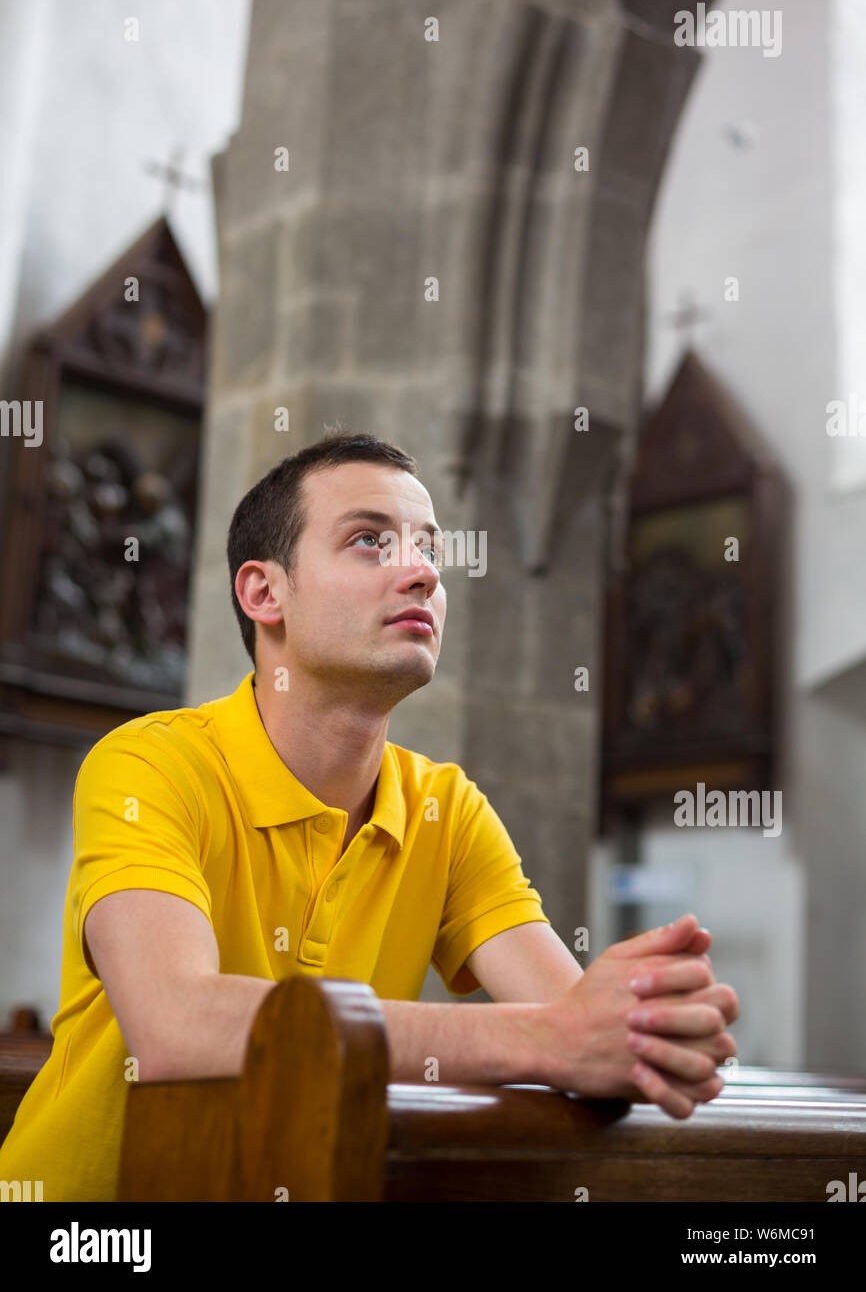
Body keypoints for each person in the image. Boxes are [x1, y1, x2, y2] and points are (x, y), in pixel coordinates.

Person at [0, 429, 738, 1201]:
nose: (420, 573)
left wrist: (651, 1031)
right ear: (264, 593)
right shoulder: (149, 764)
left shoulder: (445, 810)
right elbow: (176, 1027)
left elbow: (574, 1020)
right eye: (369, 542)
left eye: (429, 550)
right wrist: (551, 1039)